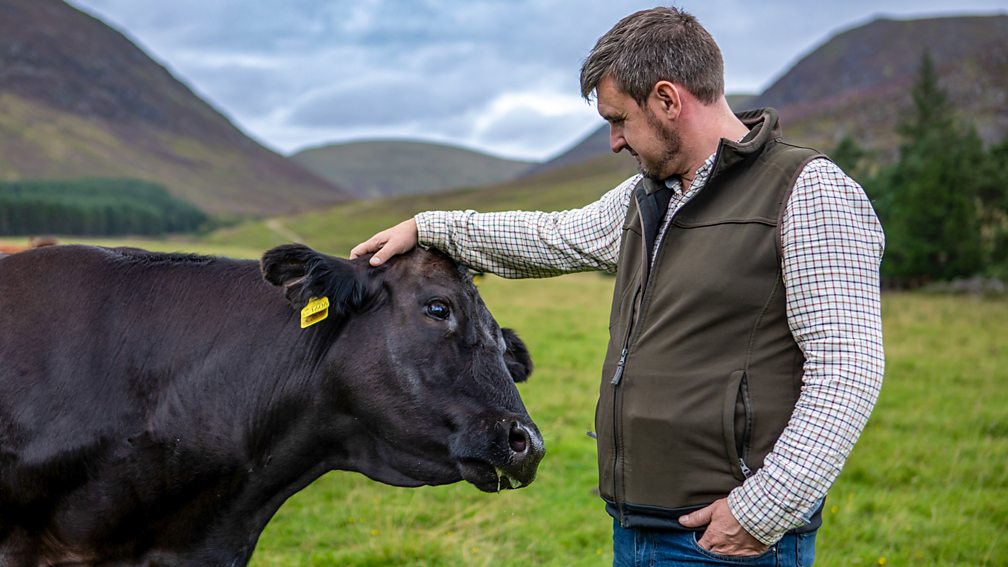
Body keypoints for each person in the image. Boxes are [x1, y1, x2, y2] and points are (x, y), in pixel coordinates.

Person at [351, 7, 884, 566]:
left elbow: (847, 370)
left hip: (727, 541)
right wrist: (429, 228)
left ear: (667, 100)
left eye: (619, 120)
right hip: (638, 526)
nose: (613, 142)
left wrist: (761, 512)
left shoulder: (809, 191)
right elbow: (552, 237)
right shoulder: (650, 196)